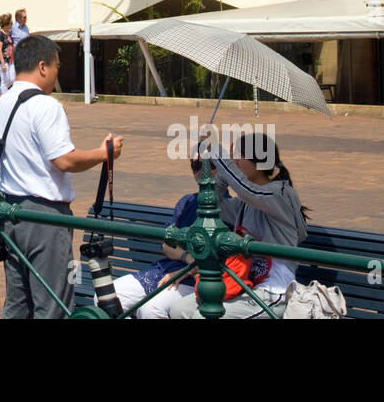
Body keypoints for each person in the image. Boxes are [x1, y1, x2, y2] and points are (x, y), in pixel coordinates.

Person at [0, 34, 123, 319]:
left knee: (18, 303)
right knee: (54, 302)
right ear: (42, 66)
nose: (56, 74)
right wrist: (104, 153)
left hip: (12, 213)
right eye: (56, 67)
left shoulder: (3, 102)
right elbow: (64, 160)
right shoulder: (45, 105)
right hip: (46, 217)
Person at [168, 129, 309, 319]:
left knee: (203, 317)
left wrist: (217, 152)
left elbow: (248, 191)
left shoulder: (281, 193)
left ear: (258, 162)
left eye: (238, 156)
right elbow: (213, 203)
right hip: (240, 283)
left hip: (272, 291)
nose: (234, 162)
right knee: (179, 310)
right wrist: (214, 166)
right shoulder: (244, 203)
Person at [112, 157, 203, 318]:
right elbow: (166, 245)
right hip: (165, 269)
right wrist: (188, 258)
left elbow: (222, 260)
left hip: (195, 279)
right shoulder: (187, 201)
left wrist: (188, 270)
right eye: (195, 165)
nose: (199, 170)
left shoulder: (231, 208)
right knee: (107, 296)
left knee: (149, 309)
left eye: (207, 164)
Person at [0, 13, 16, 100]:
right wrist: (2, 63)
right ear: (6, 24)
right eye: (11, 22)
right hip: (2, 60)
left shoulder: (9, 33)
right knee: (5, 80)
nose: (12, 24)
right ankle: (5, 100)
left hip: (10, 60)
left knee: (12, 79)